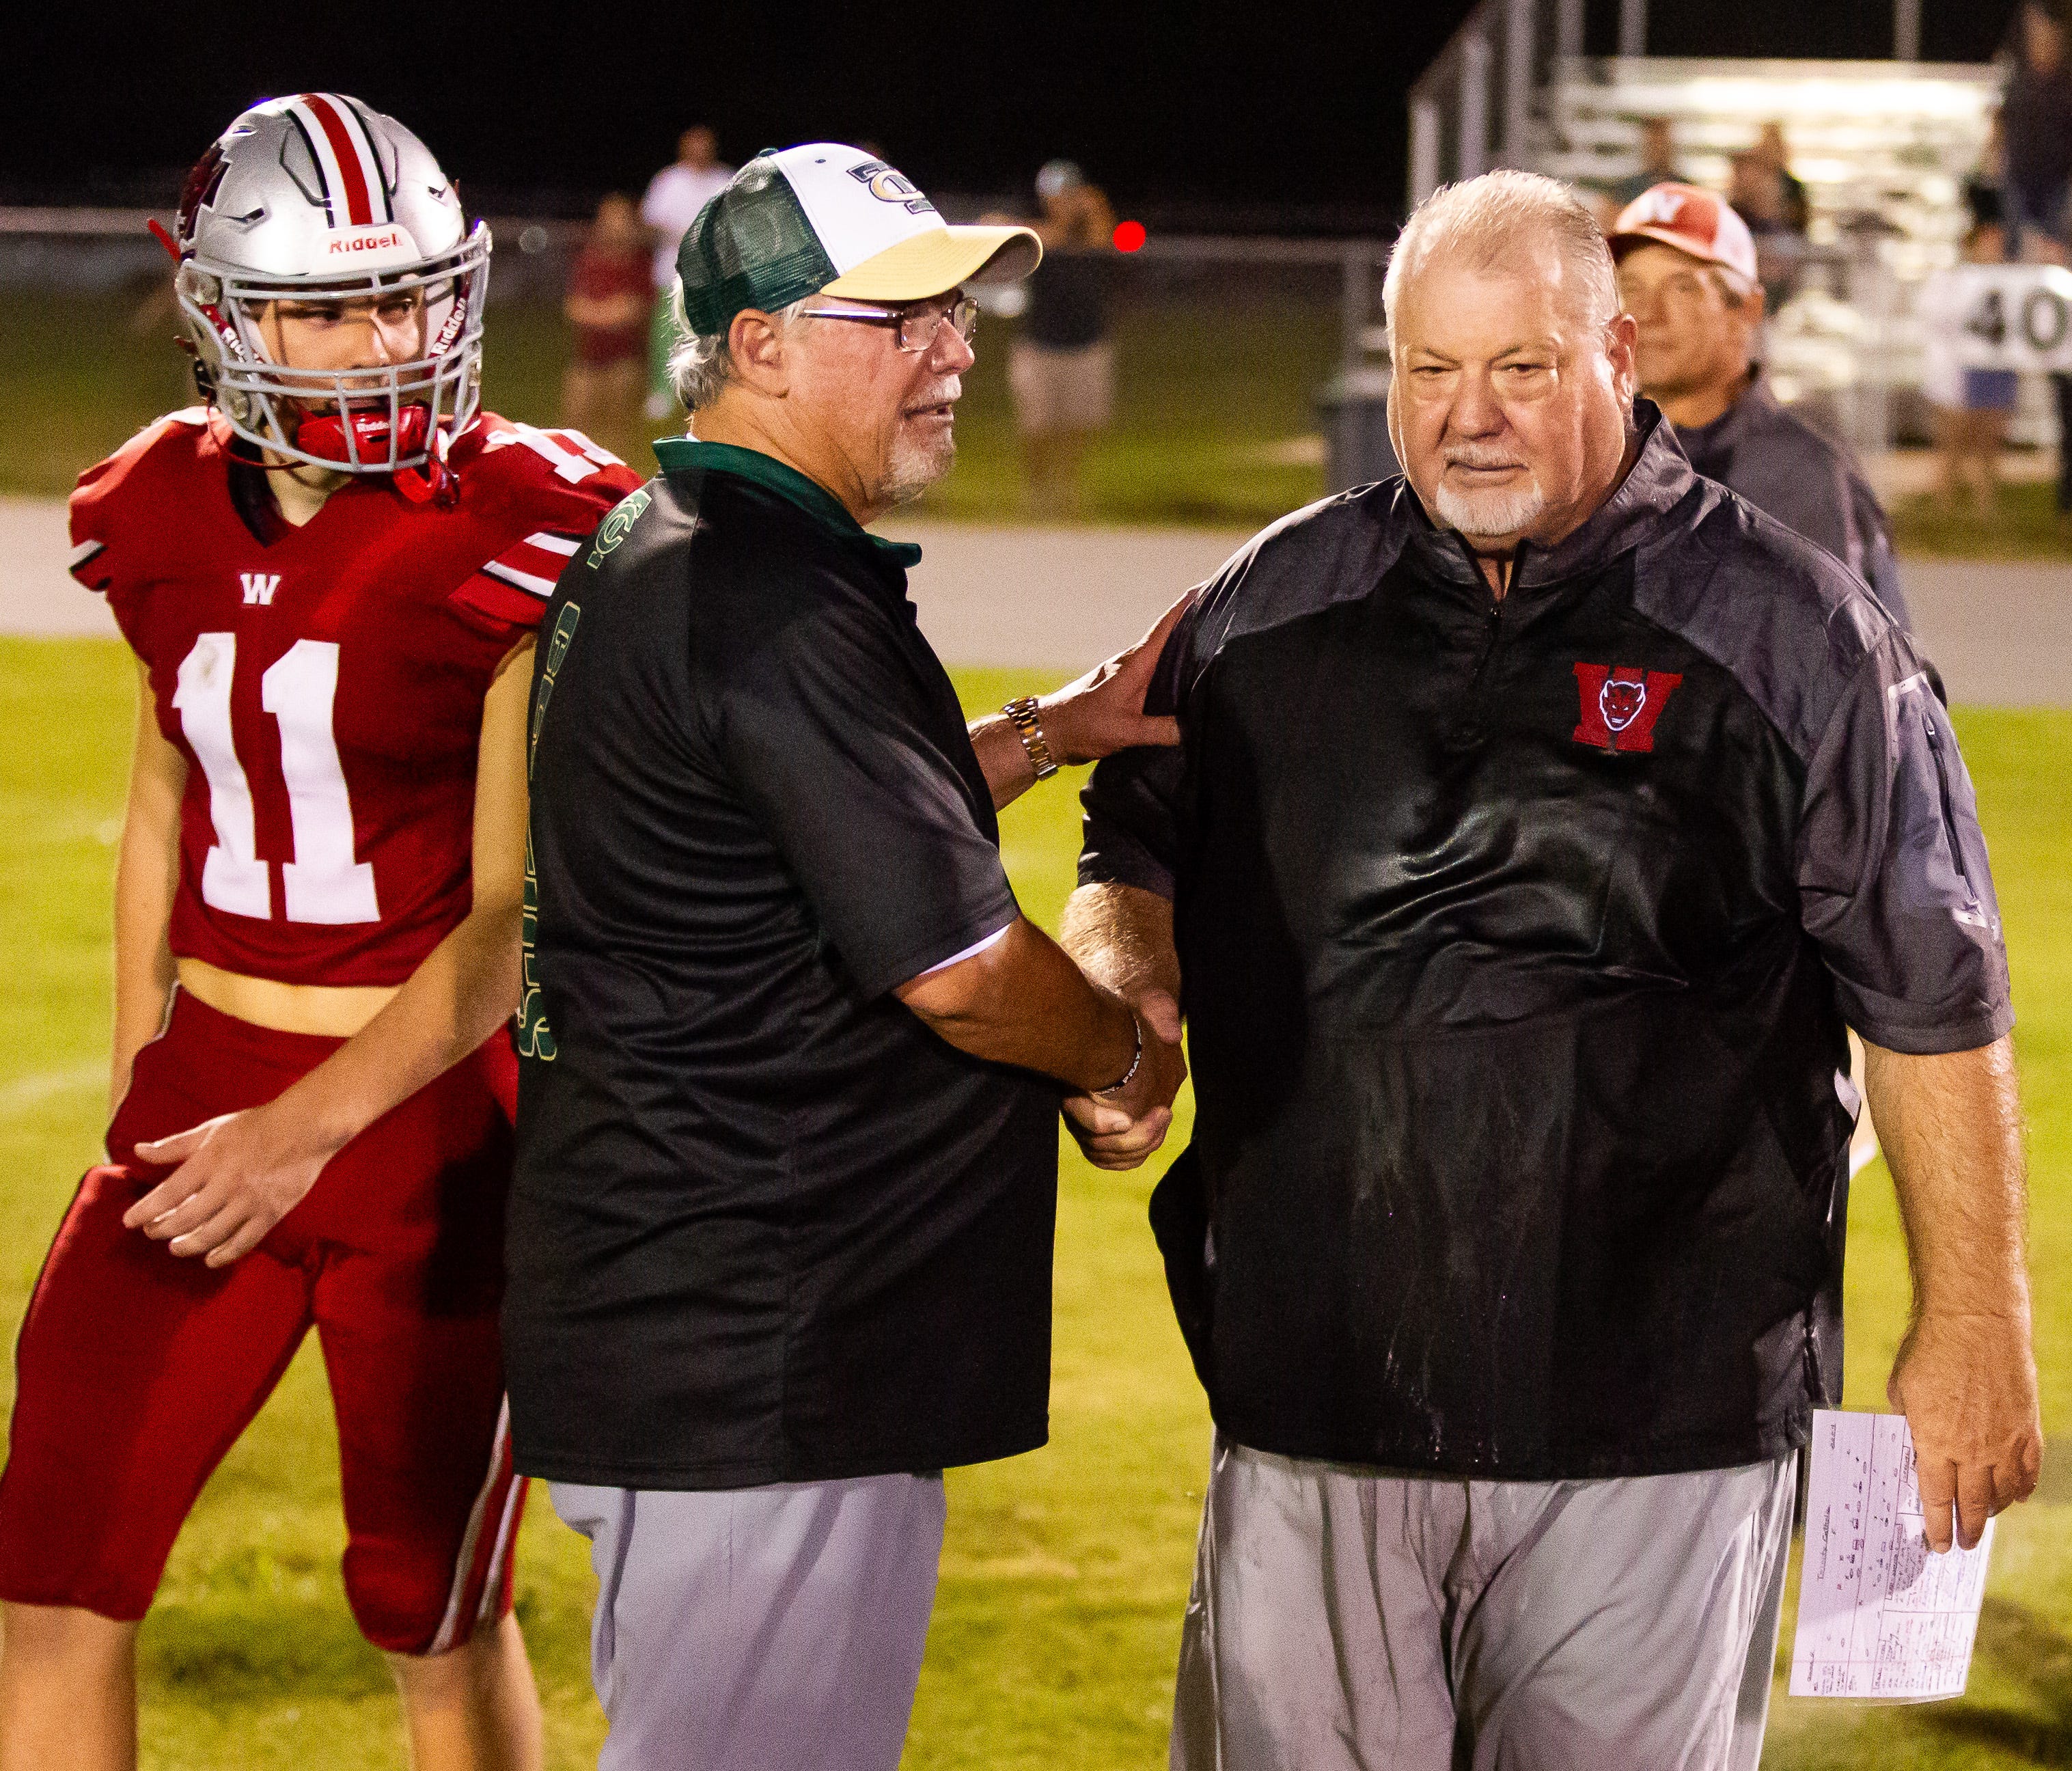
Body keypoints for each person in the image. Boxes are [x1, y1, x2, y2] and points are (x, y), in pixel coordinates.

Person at [1064, 169, 2039, 1771]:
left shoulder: (1788, 631)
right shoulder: (1271, 602)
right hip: (1318, 1400)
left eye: (1520, 368)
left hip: (1660, 1423)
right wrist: (1132, 985)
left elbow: (1930, 975)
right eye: (1431, 371)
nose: (1471, 418)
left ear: (1618, 360)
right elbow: (1135, 828)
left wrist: (1974, 1318)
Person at [506, 143, 1188, 1771]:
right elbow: (954, 967)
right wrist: (1124, 1053)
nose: (955, 350)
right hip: (767, 1346)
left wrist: (1039, 735)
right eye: (898, 319)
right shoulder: (777, 601)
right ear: (758, 348)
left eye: (952, 314)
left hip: (695, 1321)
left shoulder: (671, 540)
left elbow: (787, 820)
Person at [0, 95, 642, 1771]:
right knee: (55, 1578)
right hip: (204, 1098)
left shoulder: (525, 516)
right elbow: (164, 793)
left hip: (427, 1120)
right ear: (223, 310)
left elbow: (517, 915)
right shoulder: (149, 502)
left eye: (412, 296)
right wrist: (152, 1060)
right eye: (333, 305)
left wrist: (308, 1126)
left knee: (428, 1608)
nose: (384, 342)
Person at [1609, 180, 1911, 626]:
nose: (1647, 313)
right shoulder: (1595, 458)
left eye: (1681, 288)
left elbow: (1861, 670)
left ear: (1746, 311)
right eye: (1630, 286)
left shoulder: (1804, 472)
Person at [1009, 159, 1120, 518]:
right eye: (1056, 195)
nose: (1065, 201)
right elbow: (998, 227)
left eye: (1070, 194)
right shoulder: (1033, 231)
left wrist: (1096, 205)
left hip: (1087, 344)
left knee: (1079, 426)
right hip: (1039, 346)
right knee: (1037, 429)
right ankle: (1038, 492)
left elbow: (1108, 239)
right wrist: (1062, 221)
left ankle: (1065, 490)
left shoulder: (1093, 233)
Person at [2002, 0, 2072, 515]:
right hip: (2043, 248)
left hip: (2061, 238)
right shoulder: (2019, 90)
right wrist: (2025, 234)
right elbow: (2012, 174)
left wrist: (2056, 231)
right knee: (2060, 370)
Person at [1921, 180, 2021, 517]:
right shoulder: (1954, 281)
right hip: (1962, 368)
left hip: (1996, 367)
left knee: (1990, 438)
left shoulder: (2013, 283)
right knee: (1954, 439)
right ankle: (1944, 504)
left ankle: (1983, 504)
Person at [639, 125, 734, 420]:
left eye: (705, 144)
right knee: (666, 335)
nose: (699, 150)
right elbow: (648, 222)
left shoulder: (726, 179)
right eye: (693, 144)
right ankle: (662, 393)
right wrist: (674, 233)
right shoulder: (668, 180)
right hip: (671, 272)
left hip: (714, 276)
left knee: (714, 334)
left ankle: (710, 392)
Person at [562, 193, 652, 465]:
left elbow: (633, 311)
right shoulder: (589, 260)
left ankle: (616, 489)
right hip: (586, 361)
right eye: (610, 219)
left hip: (625, 363)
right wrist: (608, 312)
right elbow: (574, 307)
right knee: (571, 432)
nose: (615, 226)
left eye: (621, 219)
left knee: (618, 433)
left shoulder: (639, 264)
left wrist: (596, 312)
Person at [1610, 115, 1679, 206]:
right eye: (1652, 145)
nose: (1658, 149)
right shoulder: (1626, 190)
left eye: (1661, 144)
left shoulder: (1685, 188)